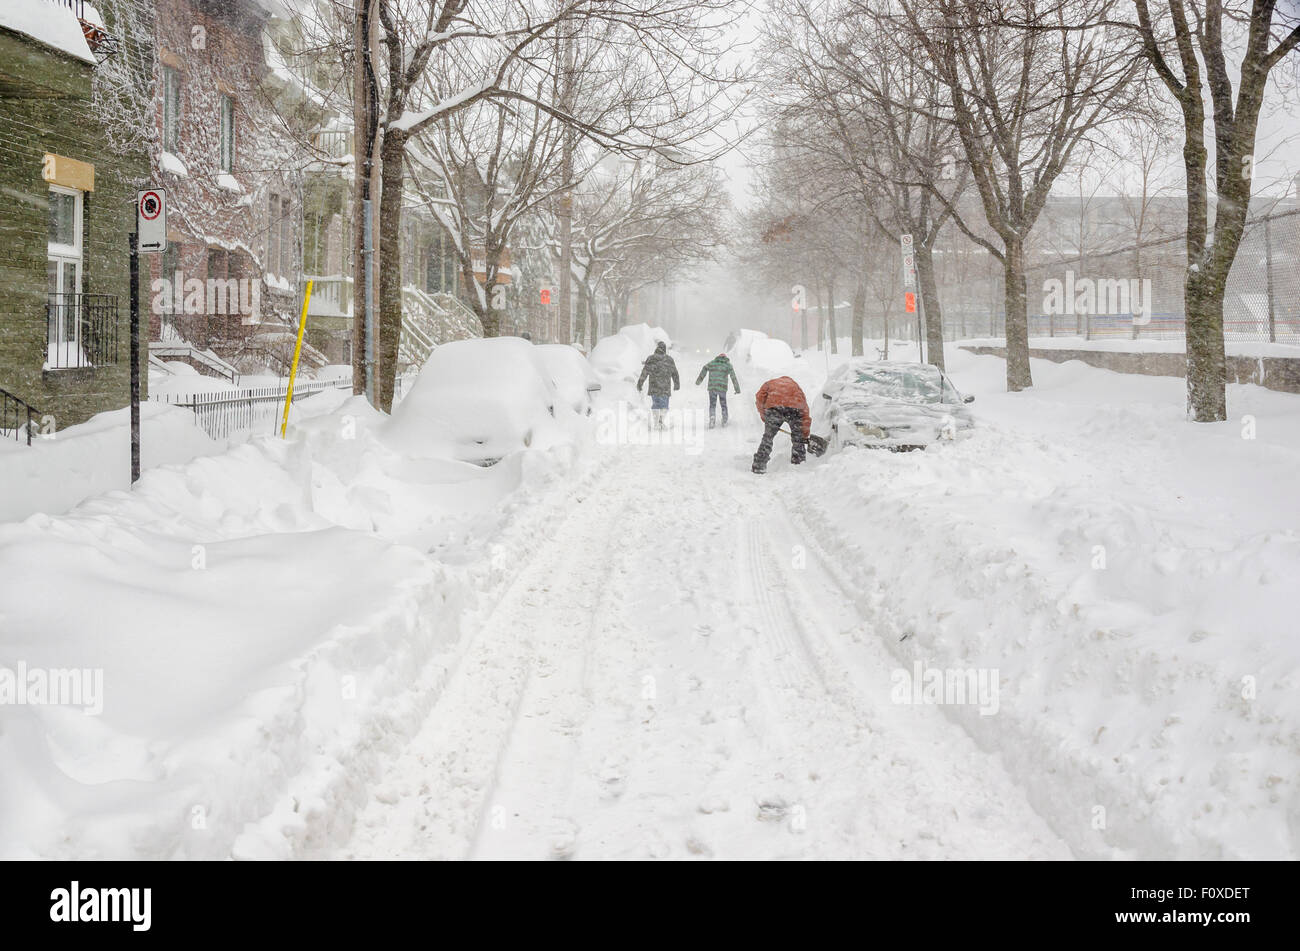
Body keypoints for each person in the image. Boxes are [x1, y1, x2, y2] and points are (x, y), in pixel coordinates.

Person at [751, 376, 811, 474]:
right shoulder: (796, 387)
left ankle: (759, 465)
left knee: (768, 437)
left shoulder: (769, 384)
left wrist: (765, 417)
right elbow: (804, 410)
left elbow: (759, 398)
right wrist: (803, 434)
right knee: (798, 439)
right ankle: (799, 463)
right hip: (794, 408)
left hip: (774, 408)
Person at [636, 340, 680, 429]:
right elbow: (675, 373)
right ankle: (660, 421)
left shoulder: (651, 358)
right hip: (665, 388)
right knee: (664, 405)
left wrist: (640, 383)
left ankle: (657, 422)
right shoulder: (669, 359)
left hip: (654, 387)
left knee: (656, 404)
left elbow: (644, 372)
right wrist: (676, 384)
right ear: (664, 350)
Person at [695, 353, 741, 428]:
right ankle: (724, 420)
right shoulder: (728, 365)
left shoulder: (712, 363)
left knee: (712, 404)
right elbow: (733, 377)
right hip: (722, 388)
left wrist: (699, 380)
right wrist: (737, 389)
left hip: (712, 387)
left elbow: (705, 368)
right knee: (723, 404)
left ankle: (712, 417)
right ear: (725, 358)